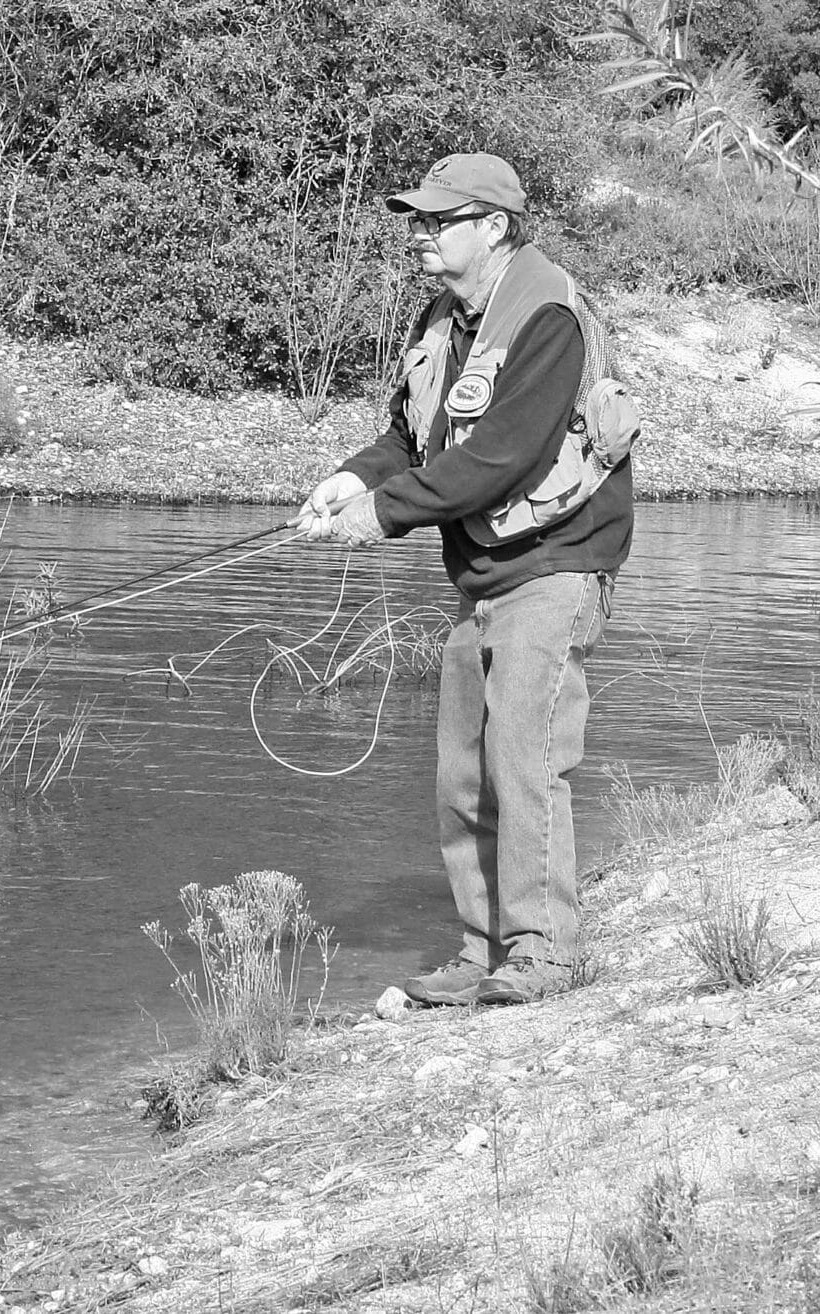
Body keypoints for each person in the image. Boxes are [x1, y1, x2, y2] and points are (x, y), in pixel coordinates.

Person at [296, 152, 634, 1007]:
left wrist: (383, 515)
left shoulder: (548, 317)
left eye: (438, 220)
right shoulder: (446, 317)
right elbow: (411, 441)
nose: (420, 234)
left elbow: (500, 459)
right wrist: (351, 481)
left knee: (525, 758)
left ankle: (544, 954)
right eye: (417, 219)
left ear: (494, 227)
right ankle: (483, 953)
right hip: (481, 577)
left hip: (557, 565)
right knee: (462, 778)